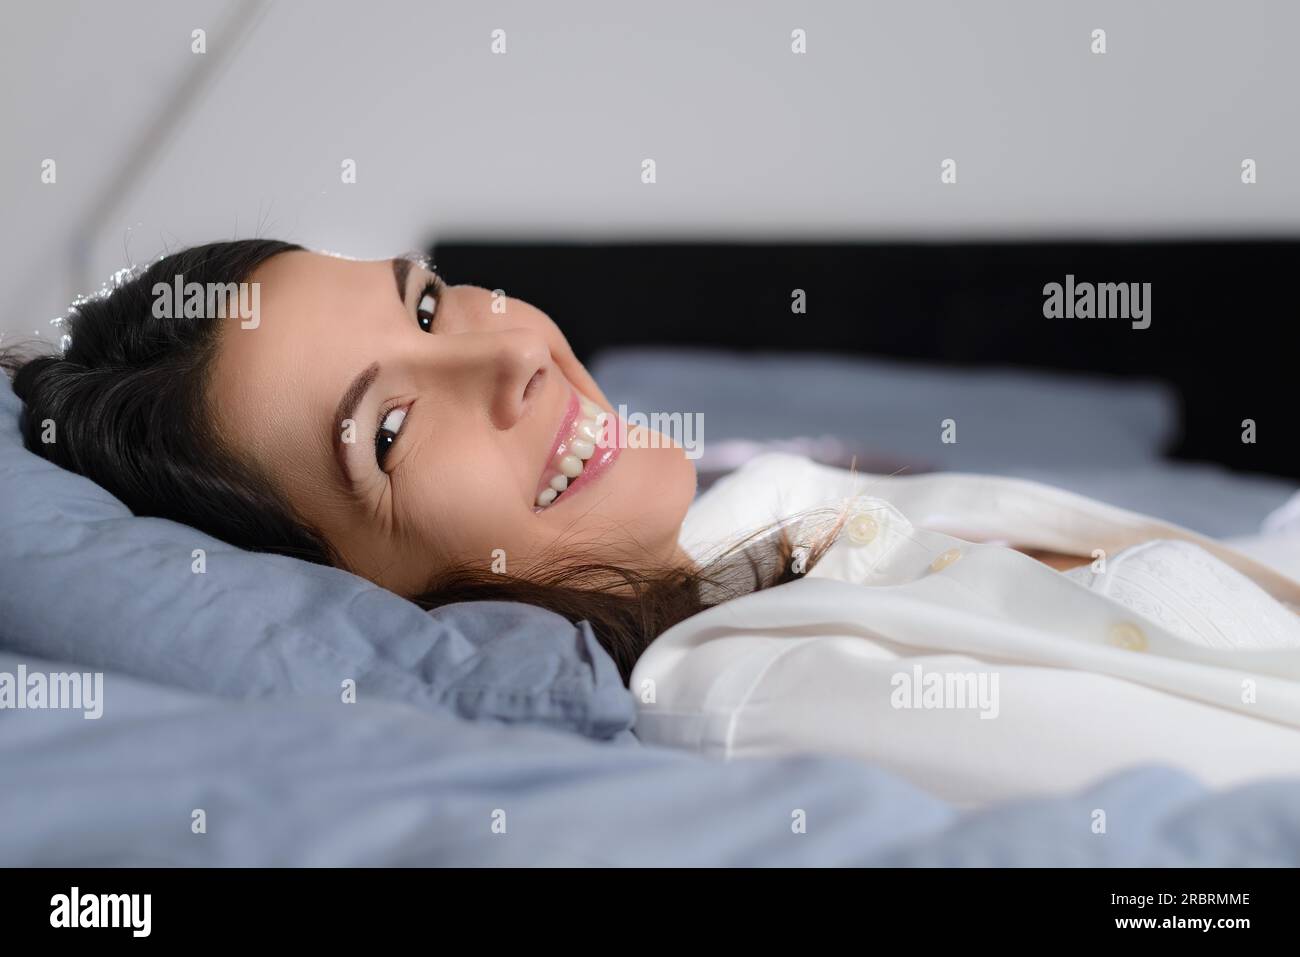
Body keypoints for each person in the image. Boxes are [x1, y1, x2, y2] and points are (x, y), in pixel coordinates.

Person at [5, 240, 1299, 805]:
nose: (506, 362)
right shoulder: (762, 690)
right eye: (386, 434)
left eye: (429, 301)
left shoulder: (776, 507)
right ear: (349, 586)